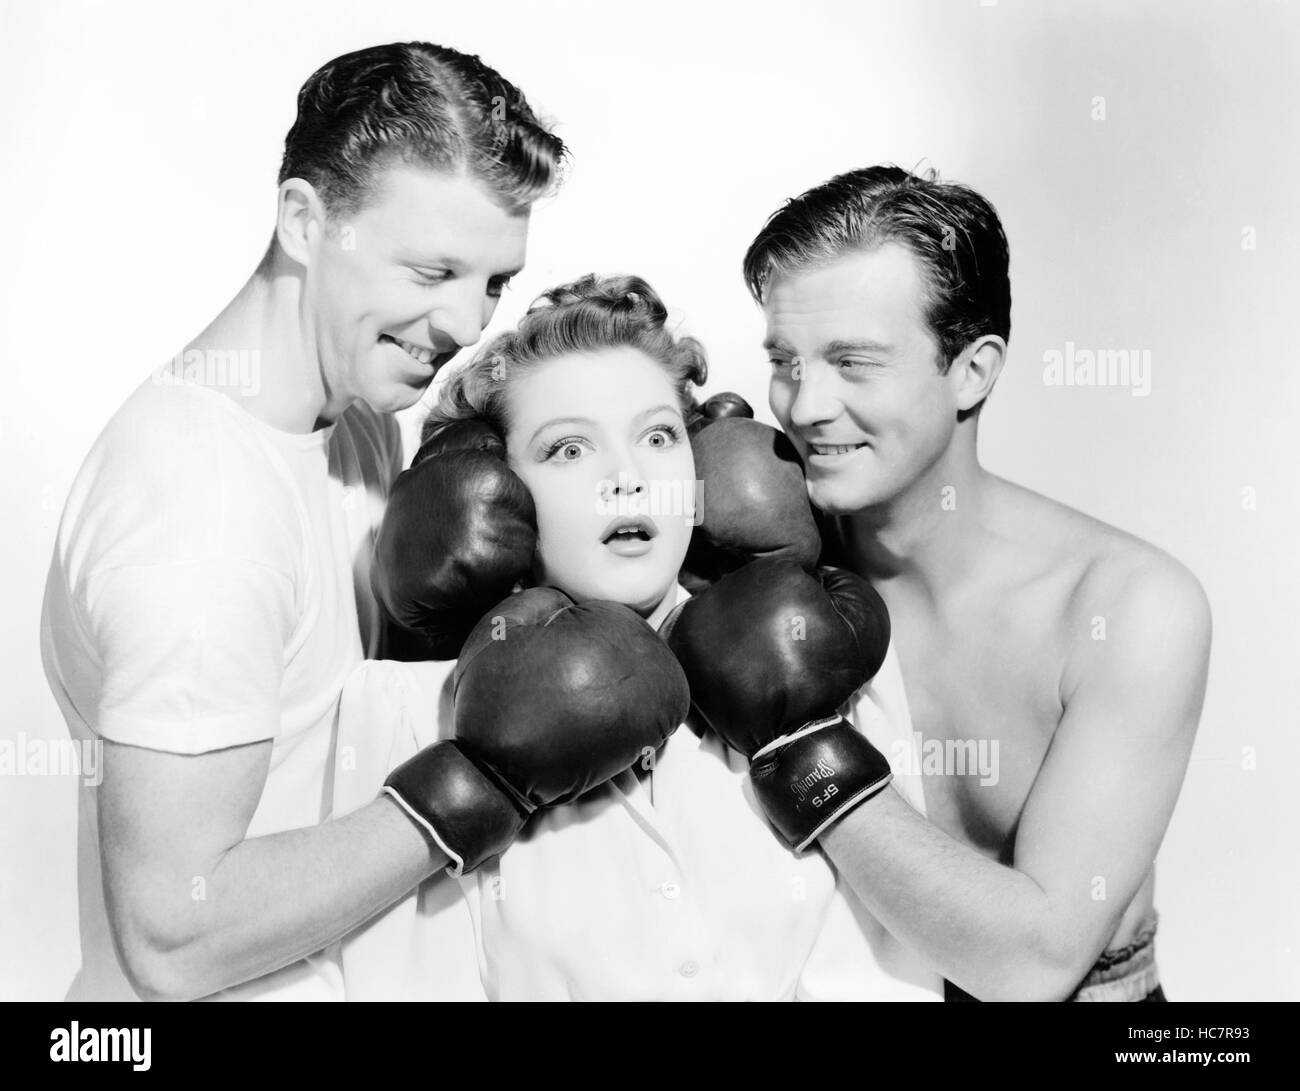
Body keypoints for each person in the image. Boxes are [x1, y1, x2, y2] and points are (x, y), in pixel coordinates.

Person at [38, 41, 566, 1001]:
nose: (464, 323)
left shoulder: (356, 421)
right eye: (431, 269)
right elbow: (175, 935)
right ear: (303, 222)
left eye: (492, 281)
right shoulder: (196, 507)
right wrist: (487, 776)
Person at [671, 164, 1210, 1001]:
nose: (806, 404)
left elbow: (1034, 964)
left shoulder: (1126, 607)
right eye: (786, 360)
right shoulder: (746, 576)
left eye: (853, 362)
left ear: (972, 371)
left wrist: (798, 746)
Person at [330, 275, 942, 1001]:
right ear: (499, 489)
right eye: (568, 450)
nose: (628, 478)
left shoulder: (834, 666)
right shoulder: (405, 710)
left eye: (657, 436)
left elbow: (886, 985)